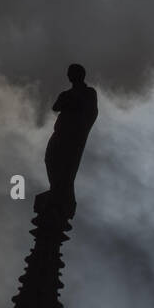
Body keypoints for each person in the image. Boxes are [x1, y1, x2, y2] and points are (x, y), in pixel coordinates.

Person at [44, 64, 99, 205]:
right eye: (69, 73)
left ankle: (64, 196)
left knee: (67, 165)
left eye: (72, 73)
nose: (69, 75)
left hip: (74, 134)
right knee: (50, 158)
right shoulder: (66, 93)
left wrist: (74, 104)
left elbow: (91, 111)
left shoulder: (89, 92)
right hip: (60, 132)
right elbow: (56, 107)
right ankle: (56, 189)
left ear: (80, 75)